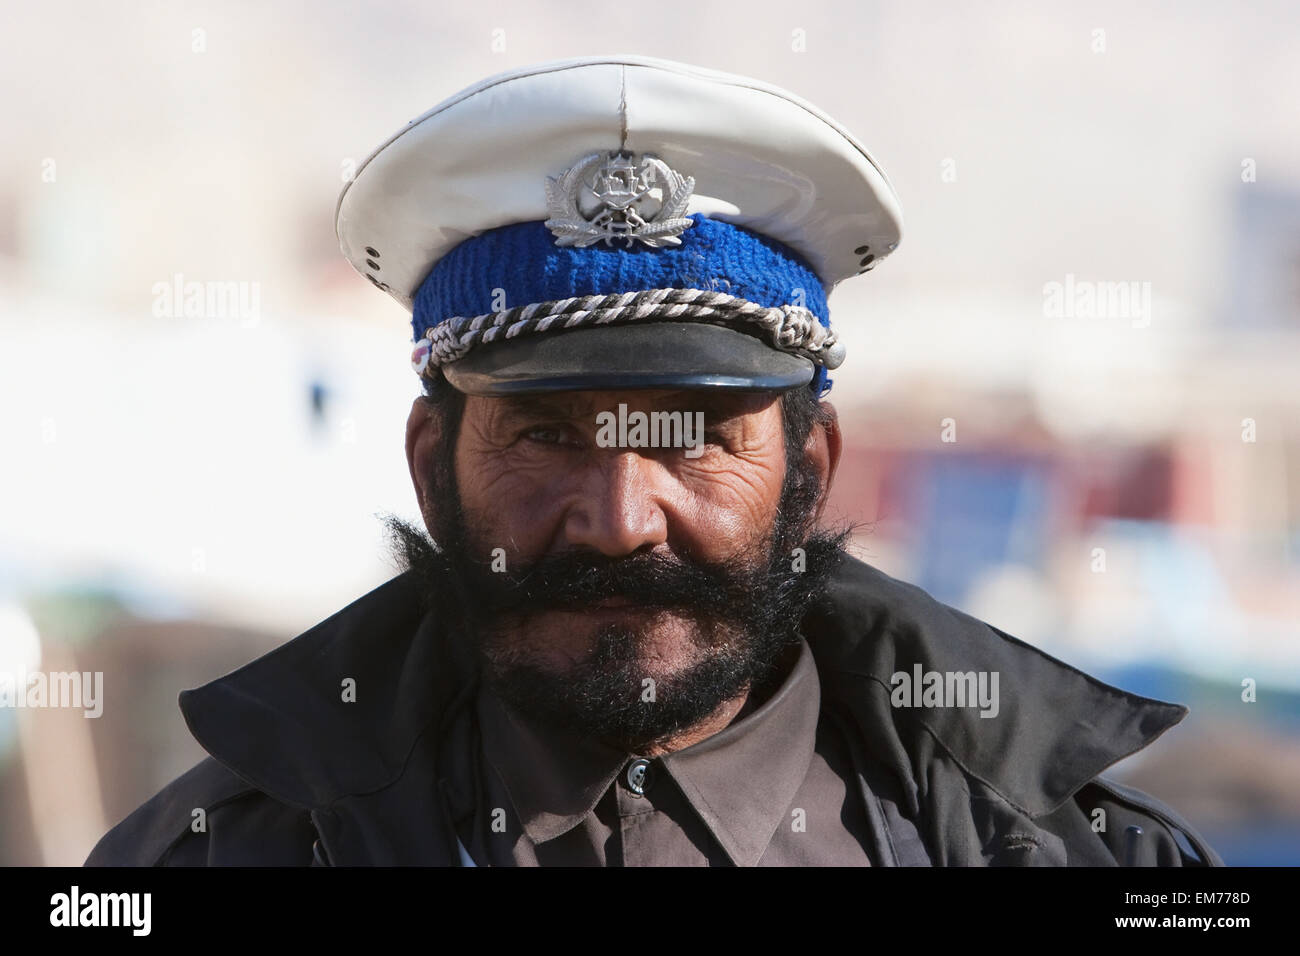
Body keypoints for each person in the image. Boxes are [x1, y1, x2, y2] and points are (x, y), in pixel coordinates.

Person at [86, 54, 1220, 867]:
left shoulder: (1077, 851)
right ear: (433, 467)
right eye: (543, 434)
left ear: (810, 467)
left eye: (694, 439)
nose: (621, 514)